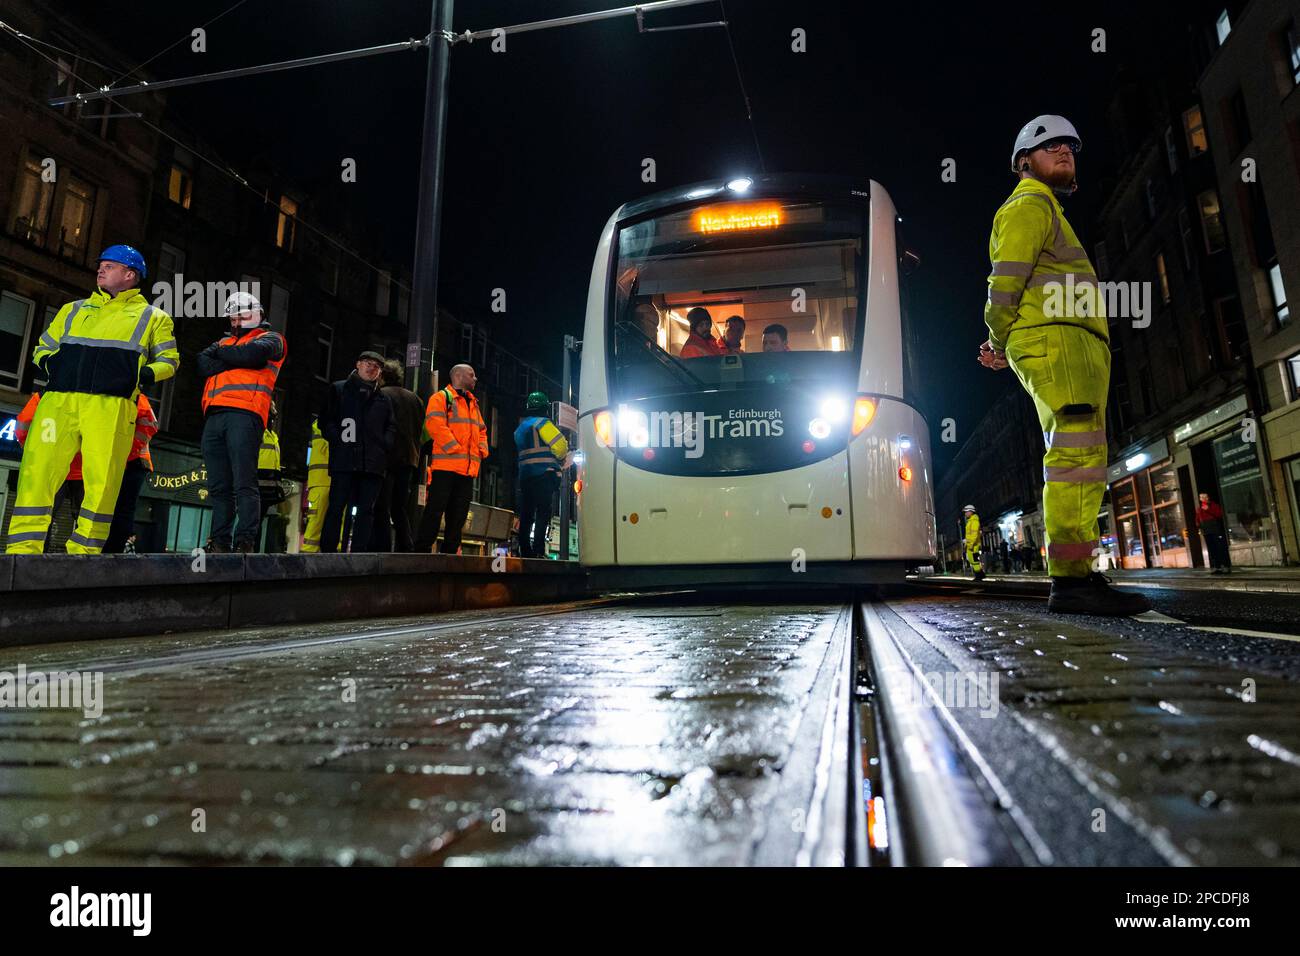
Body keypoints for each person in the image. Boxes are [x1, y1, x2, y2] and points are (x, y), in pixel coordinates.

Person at [978, 115, 1148, 615]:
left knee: (1084, 461)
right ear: (1023, 160)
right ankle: (1072, 582)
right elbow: (1005, 282)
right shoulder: (1030, 204)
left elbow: (1015, 287)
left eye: (1070, 146)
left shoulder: (1046, 209)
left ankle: (1077, 577)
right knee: (1074, 460)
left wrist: (1001, 343)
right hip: (1060, 346)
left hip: (1070, 346)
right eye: (1050, 145)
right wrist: (998, 336)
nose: (1064, 150)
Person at [6, 244, 177, 555]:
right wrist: (52, 366)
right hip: (58, 401)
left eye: (109, 266)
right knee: (36, 472)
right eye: (101, 265)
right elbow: (42, 348)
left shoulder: (154, 317)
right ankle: (20, 551)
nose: (100, 269)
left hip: (110, 407)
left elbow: (170, 361)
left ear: (130, 275)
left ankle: (84, 553)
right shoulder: (72, 309)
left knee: (101, 481)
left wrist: (139, 377)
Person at [197, 291, 286, 553]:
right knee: (219, 485)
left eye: (241, 317)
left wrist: (225, 355)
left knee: (243, 482)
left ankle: (245, 540)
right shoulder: (225, 341)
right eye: (232, 319)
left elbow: (252, 356)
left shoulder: (272, 339)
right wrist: (235, 355)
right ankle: (220, 541)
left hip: (246, 414)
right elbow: (202, 364)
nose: (235, 323)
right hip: (214, 415)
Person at [318, 350, 395, 553]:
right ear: (358, 364)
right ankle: (328, 550)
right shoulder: (339, 390)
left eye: (377, 366)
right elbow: (326, 421)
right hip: (344, 460)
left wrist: (383, 446)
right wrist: (339, 439)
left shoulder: (384, 399)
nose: (372, 368)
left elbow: (391, 427)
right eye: (368, 363)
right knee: (336, 507)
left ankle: (359, 552)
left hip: (372, 464)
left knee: (366, 511)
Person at [414, 363, 487, 554]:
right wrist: (454, 448)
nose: (475, 378)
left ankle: (449, 552)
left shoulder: (473, 403)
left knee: (458, 514)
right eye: (472, 374)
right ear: (459, 376)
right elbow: (434, 424)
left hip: (467, 469)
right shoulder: (441, 398)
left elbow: (482, 430)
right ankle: (421, 549)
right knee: (435, 510)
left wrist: (481, 450)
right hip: (446, 467)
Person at [13, 392, 82, 552]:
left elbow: (23, 423)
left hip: (53, 467)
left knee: (45, 513)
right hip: (82, 470)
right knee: (85, 519)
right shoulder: (91, 397)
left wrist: (28, 446)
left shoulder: (43, 395)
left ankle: (38, 553)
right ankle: (81, 560)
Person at [371, 359, 425, 552]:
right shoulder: (416, 400)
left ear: (383, 376)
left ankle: (382, 546)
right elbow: (423, 433)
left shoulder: (381, 395)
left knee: (381, 504)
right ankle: (405, 545)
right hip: (409, 458)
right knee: (399, 506)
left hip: (385, 457)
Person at [513, 391, 569, 559]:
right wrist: (560, 460)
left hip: (525, 476)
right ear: (545, 408)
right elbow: (560, 447)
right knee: (543, 511)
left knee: (526, 513)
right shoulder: (543, 423)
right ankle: (538, 549)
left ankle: (525, 550)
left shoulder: (520, 428)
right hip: (544, 474)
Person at [103, 393, 157, 554]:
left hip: (132, 462)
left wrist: (125, 453)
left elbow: (150, 425)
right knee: (122, 508)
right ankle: (112, 551)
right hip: (130, 460)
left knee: (119, 508)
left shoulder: (136, 398)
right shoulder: (135, 397)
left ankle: (111, 550)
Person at [300, 418, 331, 553]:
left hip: (325, 480)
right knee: (316, 523)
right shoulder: (322, 424)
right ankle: (307, 555)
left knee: (318, 522)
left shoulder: (324, 423)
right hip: (322, 480)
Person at [256, 416, 284, 551]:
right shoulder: (258, 432)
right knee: (254, 521)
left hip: (268, 488)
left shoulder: (273, 436)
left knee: (258, 521)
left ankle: (253, 552)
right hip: (256, 486)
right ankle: (250, 551)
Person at [1195, 492, 1232, 574]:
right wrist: (1199, 526)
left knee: (1220, 547)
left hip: (1216, 530)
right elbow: (1197, 519)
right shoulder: (1199, 508)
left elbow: (1219, 514)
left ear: (1208, 497)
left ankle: (1225, 566)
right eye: (1201, 497)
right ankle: (1217, 567)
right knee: (1212, 549)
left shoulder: (1214, 506)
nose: (1203, 498)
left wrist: (1208, 509)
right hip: (1206, 531)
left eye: (1205, 496)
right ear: (1200, 499)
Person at [962, 505, 984, 581]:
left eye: (966, 512)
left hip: (974, 545)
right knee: (973, 560)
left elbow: (974, 535)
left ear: (971, 511)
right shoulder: (971, 521)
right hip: (971, 544)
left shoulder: (974, 521)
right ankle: (980, 574)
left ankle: (979, 576)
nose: (965, 514)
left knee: (974, 561)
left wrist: (971, 544)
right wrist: (966, 544)